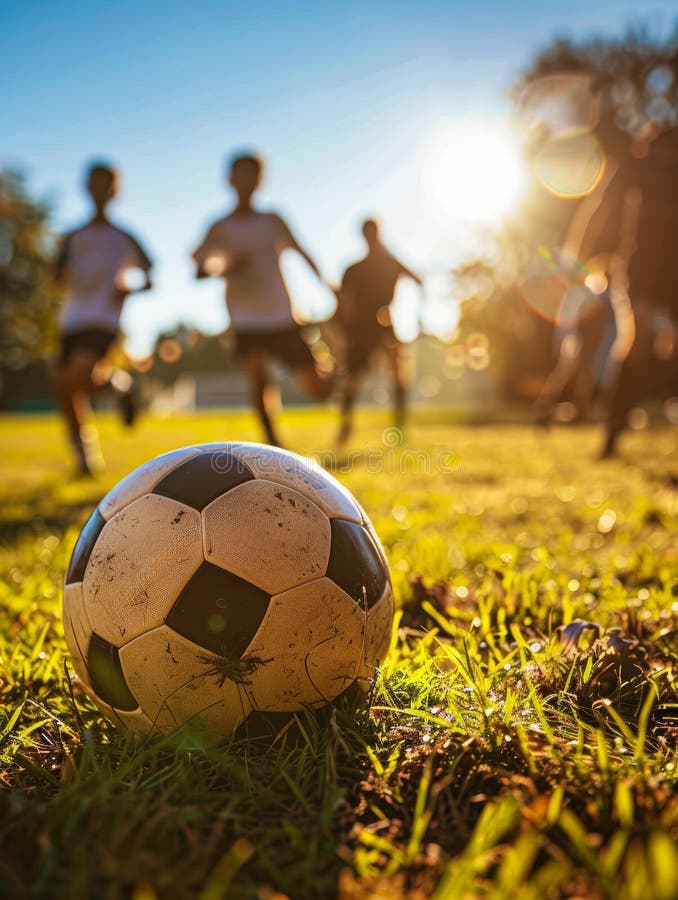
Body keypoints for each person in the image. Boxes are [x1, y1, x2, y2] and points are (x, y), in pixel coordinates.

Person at [192, 153, 334, 446]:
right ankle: (273, 446)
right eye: (240, 175)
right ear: (230, 180)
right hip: (245, 318)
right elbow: (200, 269)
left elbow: (302, 252)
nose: (245, 181)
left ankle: (336, 364)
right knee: (258, 379)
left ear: (260, 181)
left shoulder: (272, 221)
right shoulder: (219, 227)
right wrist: (226, 266)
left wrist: (331, 289)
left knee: (319, 389)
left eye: (252, 175)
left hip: (281, 314)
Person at [53, 162, 153, 476]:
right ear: (87, 188)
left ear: (115, 190)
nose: (100, 190)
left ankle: (115, 385)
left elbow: (149, 275)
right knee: (67, 388)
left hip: (103, 319)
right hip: (71, 320)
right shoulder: (72, 237)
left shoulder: (124, 237)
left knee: (74, 377)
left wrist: (128, 289)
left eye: (106, 184)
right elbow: (55, 276)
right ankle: (86, 457)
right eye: (95, 183)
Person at [334, 218, 422, 447]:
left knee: (397, 373)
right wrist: (346, 328)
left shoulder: (391, 263)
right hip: (361, 327)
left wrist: (418, 318)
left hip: (384, 323)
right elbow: (343, 301)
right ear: (364, 235)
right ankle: (345, 427)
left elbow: (417, 279)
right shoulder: (354, 269)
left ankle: (399, 430)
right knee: (353, 378)